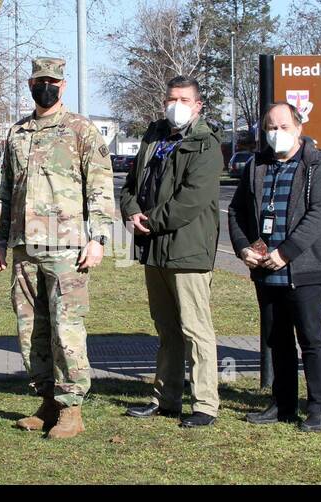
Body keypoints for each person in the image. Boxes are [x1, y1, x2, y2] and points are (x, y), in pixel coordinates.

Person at [0, 56, 116, 439]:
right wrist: (0, 240)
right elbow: (7, 190)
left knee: (67, 330)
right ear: (30, 84)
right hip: (25, 247)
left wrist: (98, 239)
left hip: (66, 249)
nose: (45, 86)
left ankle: (72, 409)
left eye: (52, 81)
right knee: (32, 331)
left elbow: (100, 186)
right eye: (38, 80)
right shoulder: (18, 132)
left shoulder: (82, 130)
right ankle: (47, 401)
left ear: (62, 86)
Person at [118, 76, 224, 428]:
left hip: (187, 249)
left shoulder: (206, 144)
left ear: (197, 105)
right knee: (166, 329)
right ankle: (166, 398)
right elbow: (130, 184)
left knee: (196, 330)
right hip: (153, 249)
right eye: (170, 98)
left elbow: (192, 198)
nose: (175, 104)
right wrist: (131, 210)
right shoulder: (153, 136)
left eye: (183, 99)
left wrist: (152, 220)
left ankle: (206, 404)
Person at [229, 100, 321, 432]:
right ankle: (284, 404)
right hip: (265, 270)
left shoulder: (317, 165)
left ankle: (318, 408)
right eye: (271, 128)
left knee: (311, 339)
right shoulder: (256, 165)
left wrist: (287, 252)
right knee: (277, 340)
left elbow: (320, 214)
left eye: (284, 127)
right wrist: (243, 248)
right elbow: (236, 212)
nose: (277, 134)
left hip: (303, 269)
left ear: (299, 127)